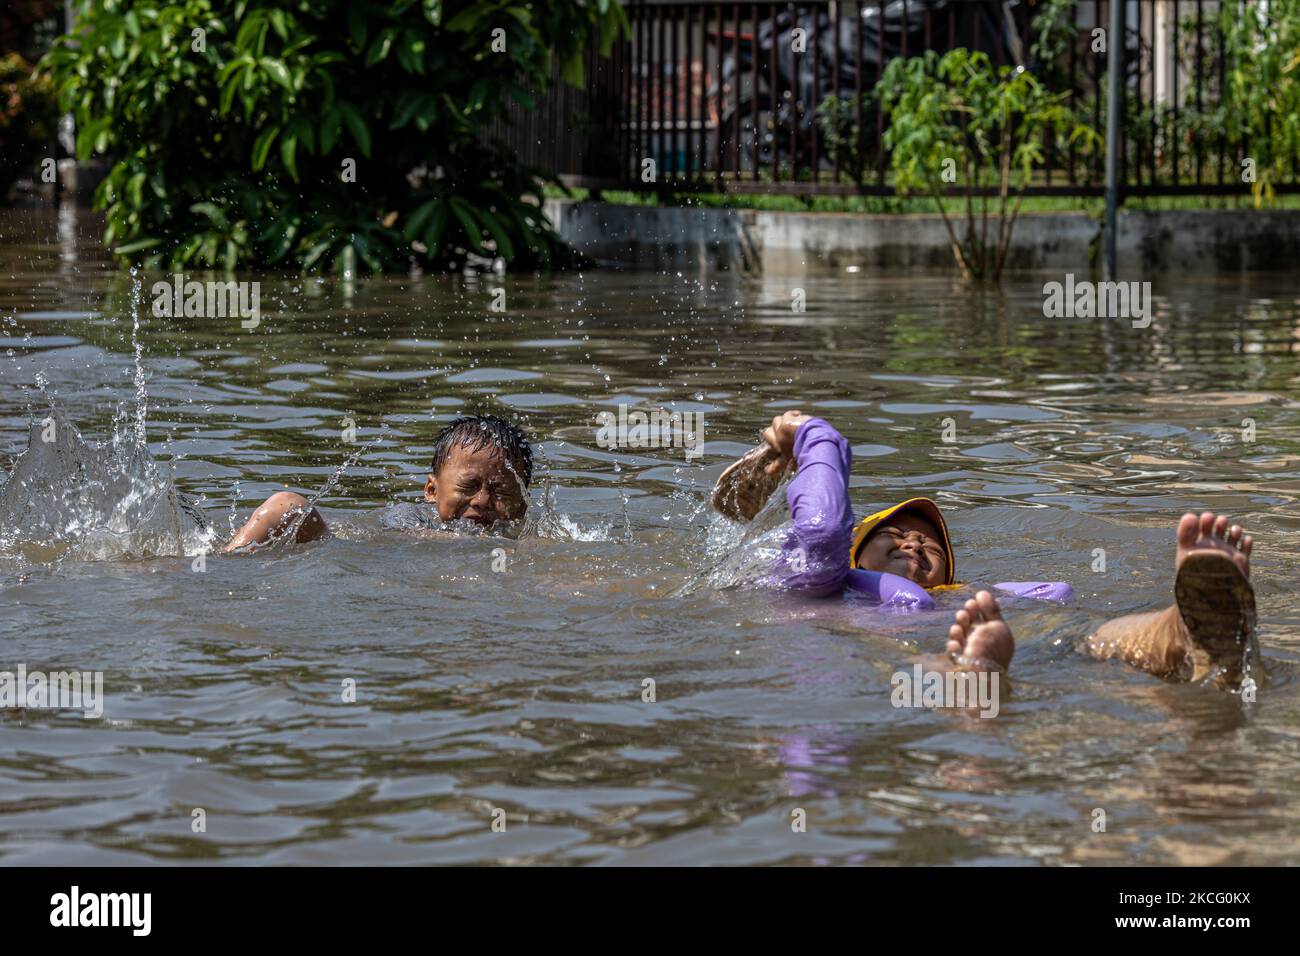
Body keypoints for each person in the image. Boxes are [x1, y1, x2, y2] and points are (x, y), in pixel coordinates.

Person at [712, 412, 1257, 690]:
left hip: (1005, 642)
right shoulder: (818, 580)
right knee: (937, 663)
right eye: (894, 536)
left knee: (1093, 639)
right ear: (858, 553)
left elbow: (1056, 597)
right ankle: (972, 677)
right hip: (877, 658)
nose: (913, 542)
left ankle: (1186, 631)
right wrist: (816, 438)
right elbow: (825, 529)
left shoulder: (971, 599)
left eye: (928, 544)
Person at [222, 415, 532, 551]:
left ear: (522, 506)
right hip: (339, 556)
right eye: (468, 486)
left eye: (501, 490)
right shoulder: (410, 518)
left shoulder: (521, 536)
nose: (481, 501)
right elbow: (408, 537)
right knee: (289, 507)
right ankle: (220, 564)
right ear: (431, 490)